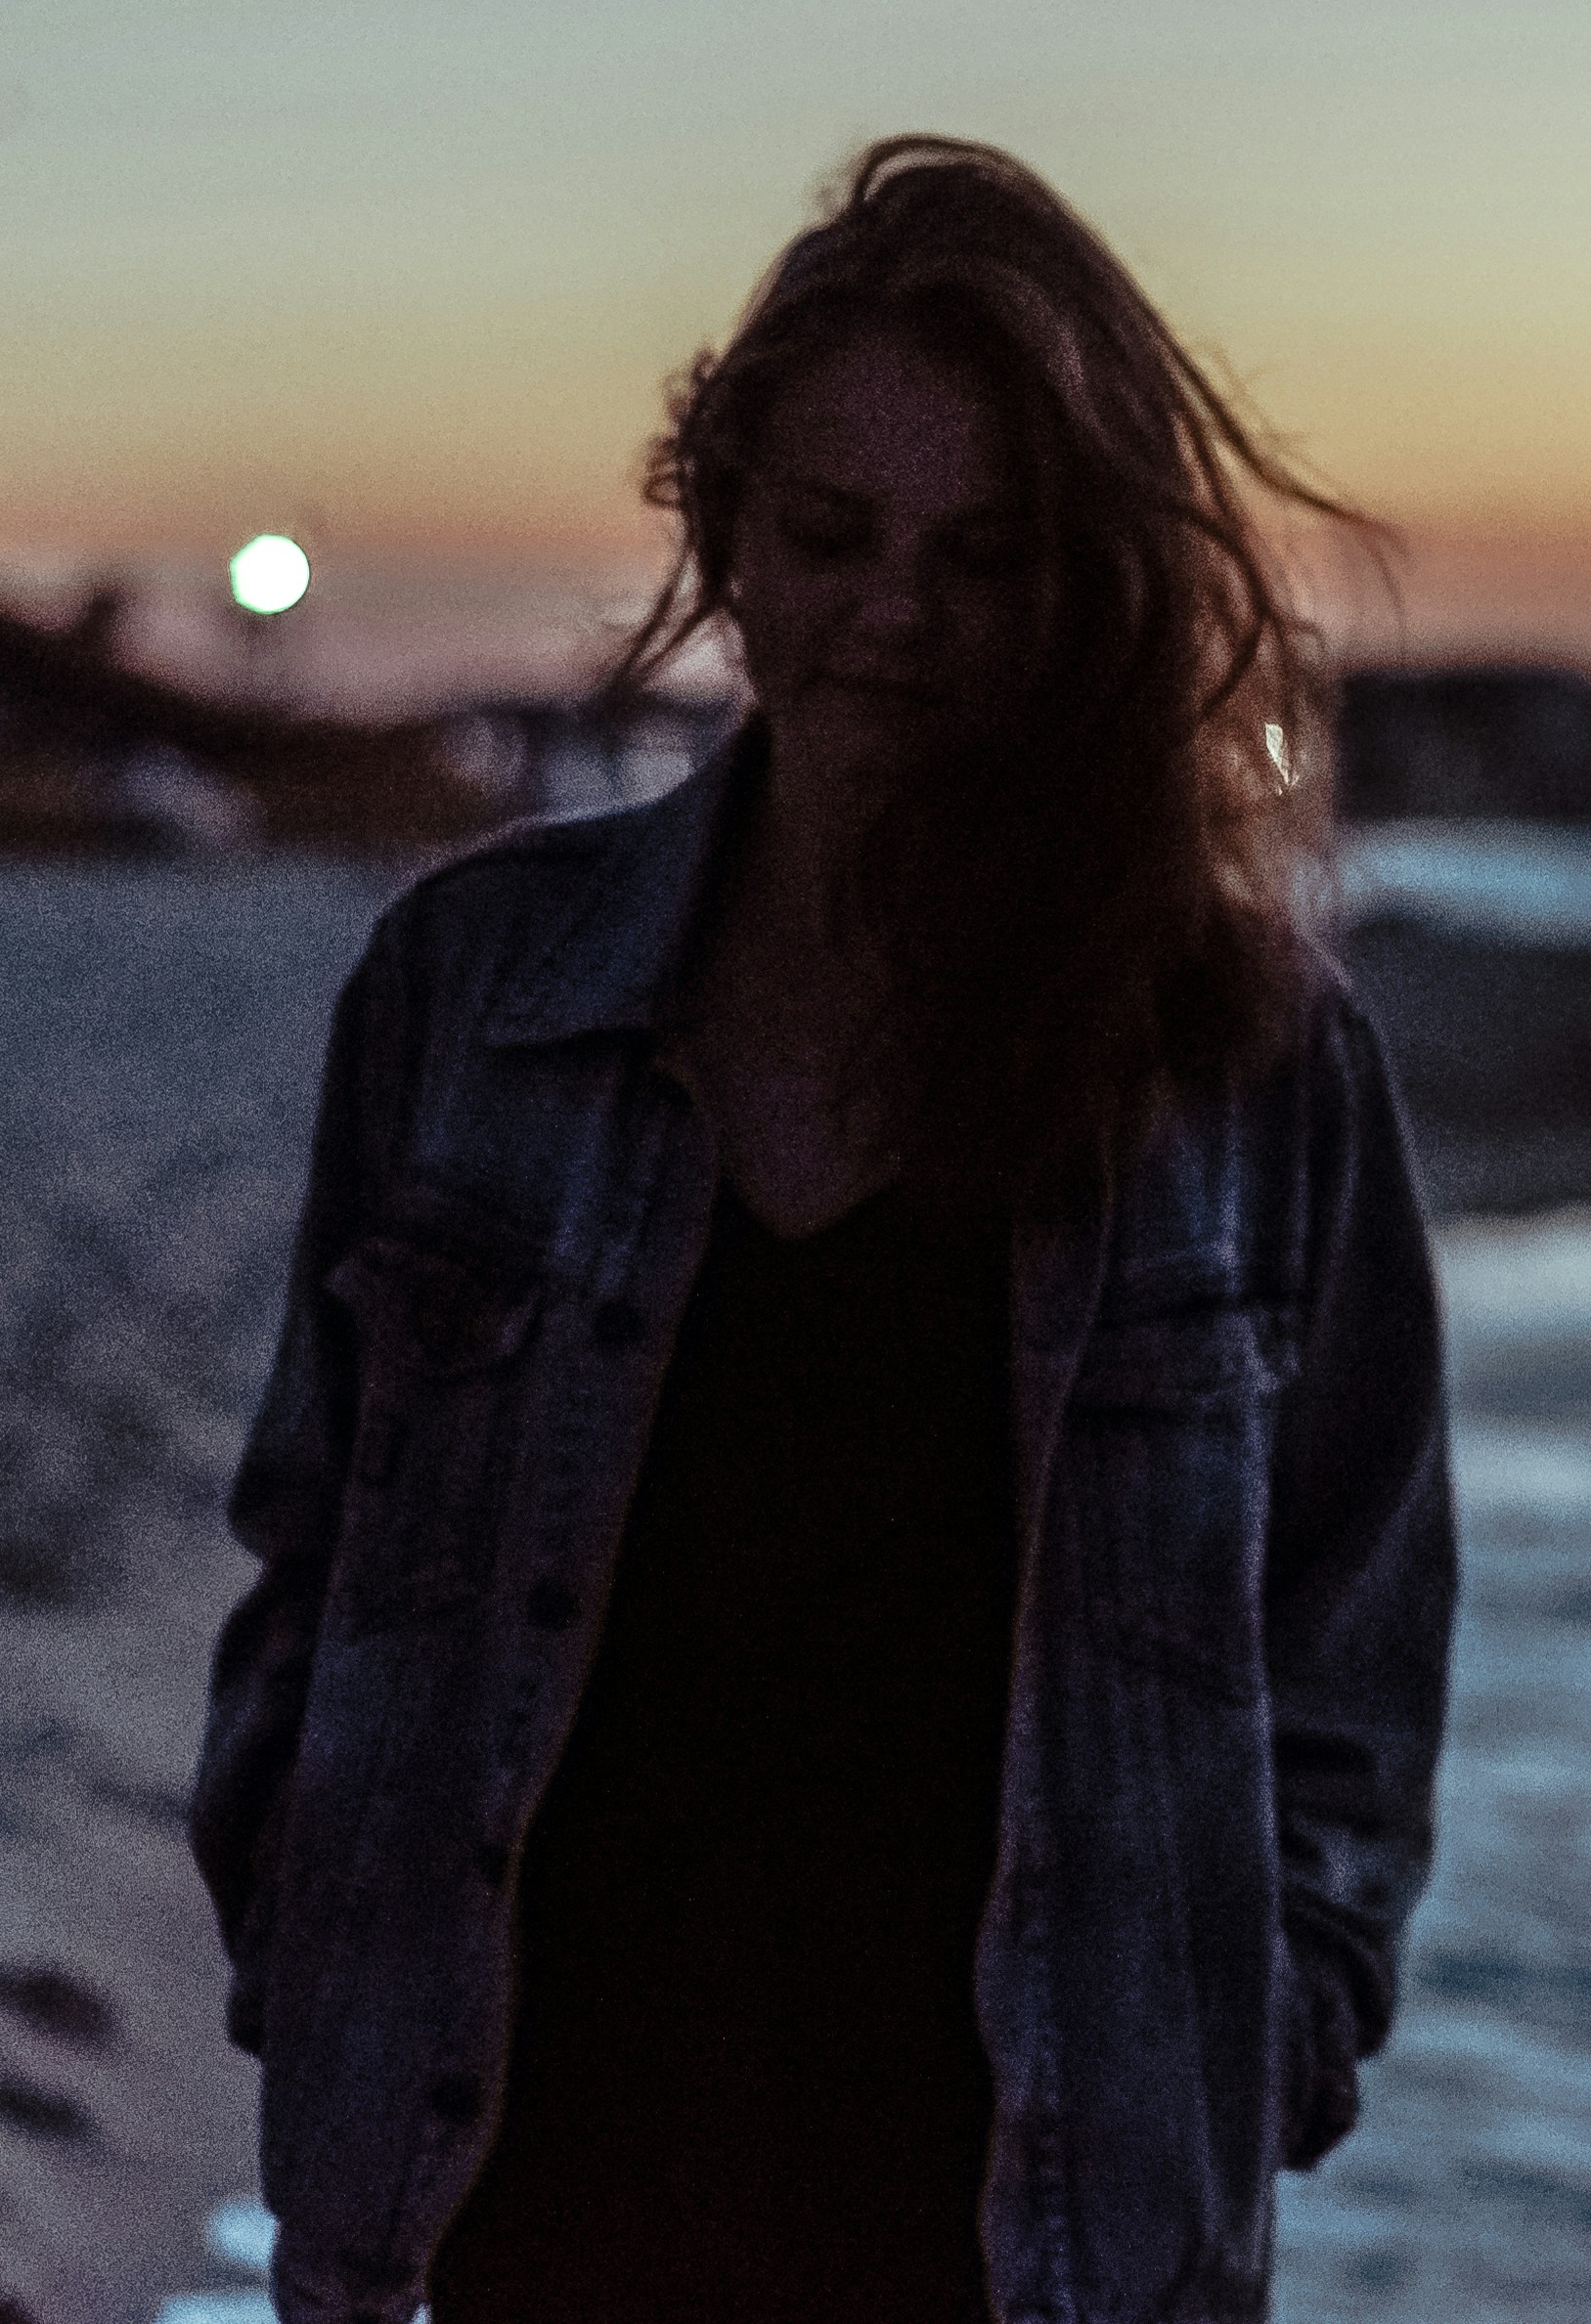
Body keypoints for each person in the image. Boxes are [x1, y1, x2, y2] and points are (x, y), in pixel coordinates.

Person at [188, 138, 1456, 2324]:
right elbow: (313, 1546)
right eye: (834, 535)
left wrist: (1266, 2045)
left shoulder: (1242, 1062)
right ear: (719, 529)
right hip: (510, 2178)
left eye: (984, 554)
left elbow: (1349, 1650)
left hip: (1028, 2229)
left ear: (1085, 587)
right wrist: (308, 1942)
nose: (897, 613)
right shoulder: (471, 996)